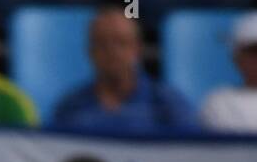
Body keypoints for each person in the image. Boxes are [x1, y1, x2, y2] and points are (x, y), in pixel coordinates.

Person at [51, 7, 198, 134]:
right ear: (90, 51)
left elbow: (189, 155)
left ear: (138, 49)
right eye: (102, 43)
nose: (112, 51)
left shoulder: (168, 105)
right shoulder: (70, 108)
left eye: (121, 42)